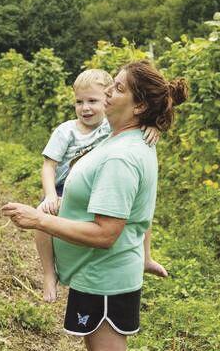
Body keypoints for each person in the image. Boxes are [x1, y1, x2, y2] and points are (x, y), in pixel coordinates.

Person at [3, 60, 188, 351]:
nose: (107, 92)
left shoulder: (122, 156)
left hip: (104, 277)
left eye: (117, 88)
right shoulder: (121, 136)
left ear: (138, 106)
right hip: (95, 274)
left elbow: (107, 233)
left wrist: (39, 221)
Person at [34, 69, 157, 302]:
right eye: (79, 102)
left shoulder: (111, 127)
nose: (85, 108)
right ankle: (49, 273)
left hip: (98, 186)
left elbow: (136, 121)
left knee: (140, 212)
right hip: (64, 189)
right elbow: (49, 166)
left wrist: (152, 126)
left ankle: (146, 257)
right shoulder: (66, 131)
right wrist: (50, 195)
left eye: (92, 101)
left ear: (106, 100)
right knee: (42, 218)